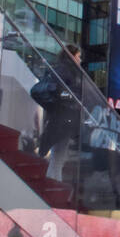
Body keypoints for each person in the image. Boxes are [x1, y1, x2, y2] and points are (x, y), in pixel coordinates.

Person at [38, 44, 85, 182]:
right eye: (78, 56)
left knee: (58, 156)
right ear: (72, 56)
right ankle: (53, 185)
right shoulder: (66, 71)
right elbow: (61, 92)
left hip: (61, 117)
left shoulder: (63, 70)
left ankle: (53, 183)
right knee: (58, 156)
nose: (80, 60)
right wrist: (74, 99)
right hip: (63, 117)